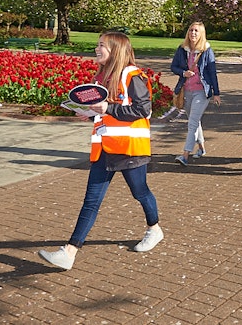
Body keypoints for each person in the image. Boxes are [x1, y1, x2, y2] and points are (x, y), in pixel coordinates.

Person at [38, 31, 163, 270]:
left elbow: (143, 110)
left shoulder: (132, 75)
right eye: (97, 44)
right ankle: (69, 252)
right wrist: (89, 112)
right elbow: (103, 112)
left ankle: (154, 229)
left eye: (102, 45)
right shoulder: (101, 78)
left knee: (140, 193)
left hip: (129, 149)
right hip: (104, 149)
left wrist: (107, 108)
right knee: (91, 201)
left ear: (116, 49)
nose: (97, 49)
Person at [171, 21, 221, 165]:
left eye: (196, 31)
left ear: (201, 34)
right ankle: (201, 148)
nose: (193, 33)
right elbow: (173, 67)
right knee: (195, 121)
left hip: (201, 91)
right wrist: (183, 72)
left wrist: (216, 93)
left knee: (192, 123)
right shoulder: (182, 49)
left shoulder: (206, 50)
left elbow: (212, 73)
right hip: (186, 91)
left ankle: (185, 155)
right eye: (191, 30)